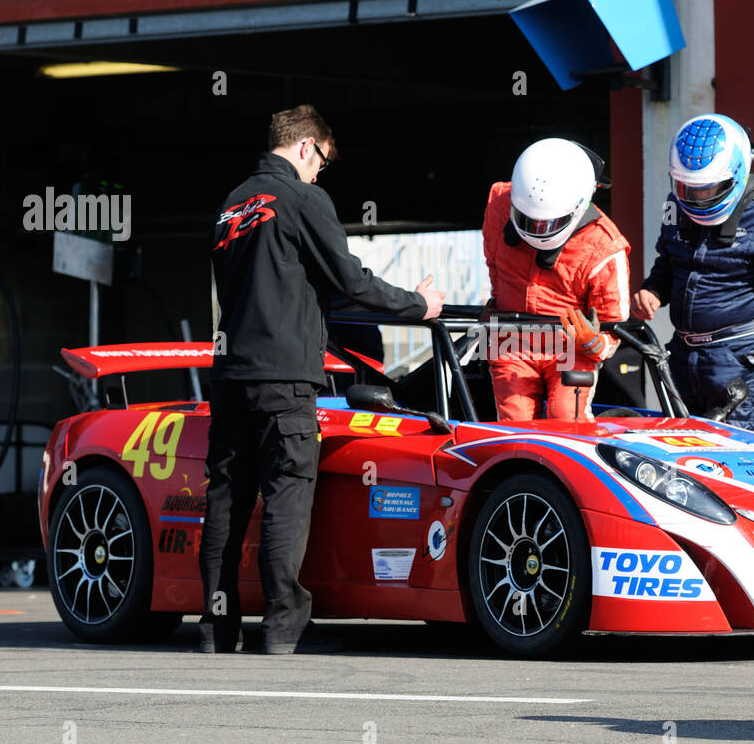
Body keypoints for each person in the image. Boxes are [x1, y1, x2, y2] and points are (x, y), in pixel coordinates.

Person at [201, 104, 444, 654]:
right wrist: (418, 305)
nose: (319, 174)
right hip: (284, 377)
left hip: (231, 374)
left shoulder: (231, 203)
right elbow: (350, 280)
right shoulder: (303, 198)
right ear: (306, 146)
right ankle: (282, 627)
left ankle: (216, 628)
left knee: (227, 498)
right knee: (287, 493)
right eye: (322, 162)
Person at [632, 114, 754, 431]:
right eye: (687, 188)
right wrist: (652, 291)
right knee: (682, 451)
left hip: (739, 361)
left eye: (706, 190)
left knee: (736, 455)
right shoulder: (676, 205)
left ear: (733, 175)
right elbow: (667, 263)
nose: (695, 197)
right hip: (680, 357)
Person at [481, 138, 630, 420]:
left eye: (547, 223)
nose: (537, 230)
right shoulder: (499, 203)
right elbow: (493, 261)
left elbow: (615, 328)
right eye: (528, 220)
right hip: (512, 339)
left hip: (570, 347)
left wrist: (592, 342)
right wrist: (497, 305)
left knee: (566, 420)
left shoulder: (606, 246)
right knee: (515, 425)